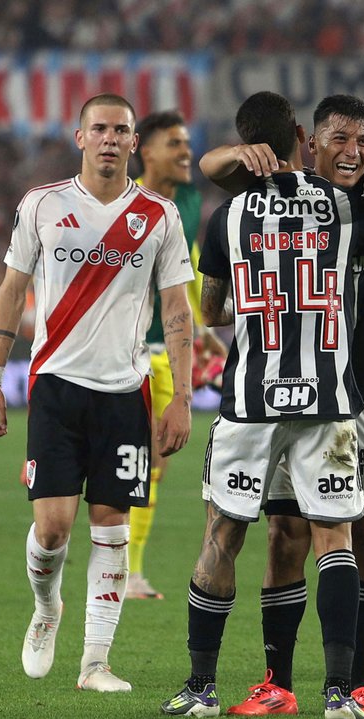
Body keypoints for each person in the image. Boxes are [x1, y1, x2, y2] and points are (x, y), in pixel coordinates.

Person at [158, 91, 364, 719]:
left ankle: (201, 688)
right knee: (335, 536)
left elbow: (212, 309)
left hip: (252, 397)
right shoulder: (341, 205)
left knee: (224, 533)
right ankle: (338, 693)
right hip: (330, 396)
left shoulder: (229, 216)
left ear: (246, 144)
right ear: (301, 139)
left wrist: (261, 294)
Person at [0, 93, 195, 693]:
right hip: (54, 387)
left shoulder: (159, 216)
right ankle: (48, 609)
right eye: (98, 128)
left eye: (119, 130)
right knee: (52, 529)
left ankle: (95, 663)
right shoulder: (43, 205)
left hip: (126, 392)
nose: (108, 138)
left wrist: (181, 398)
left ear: (133, 143)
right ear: (79, 137)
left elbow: (178, 310)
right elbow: (11, 291)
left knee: (111, 525)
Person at [126, 110, 227, 601]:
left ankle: (129, 571)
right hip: (125, 350)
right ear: (146, 151)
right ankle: (117, 567)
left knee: (156, 461)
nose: (186, 152)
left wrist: (201, 333)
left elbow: (181, 270)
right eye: (175, 143)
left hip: (166, 349)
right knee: (134, 456)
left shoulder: (187, 199)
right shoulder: (123, 200)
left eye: (188, 142)